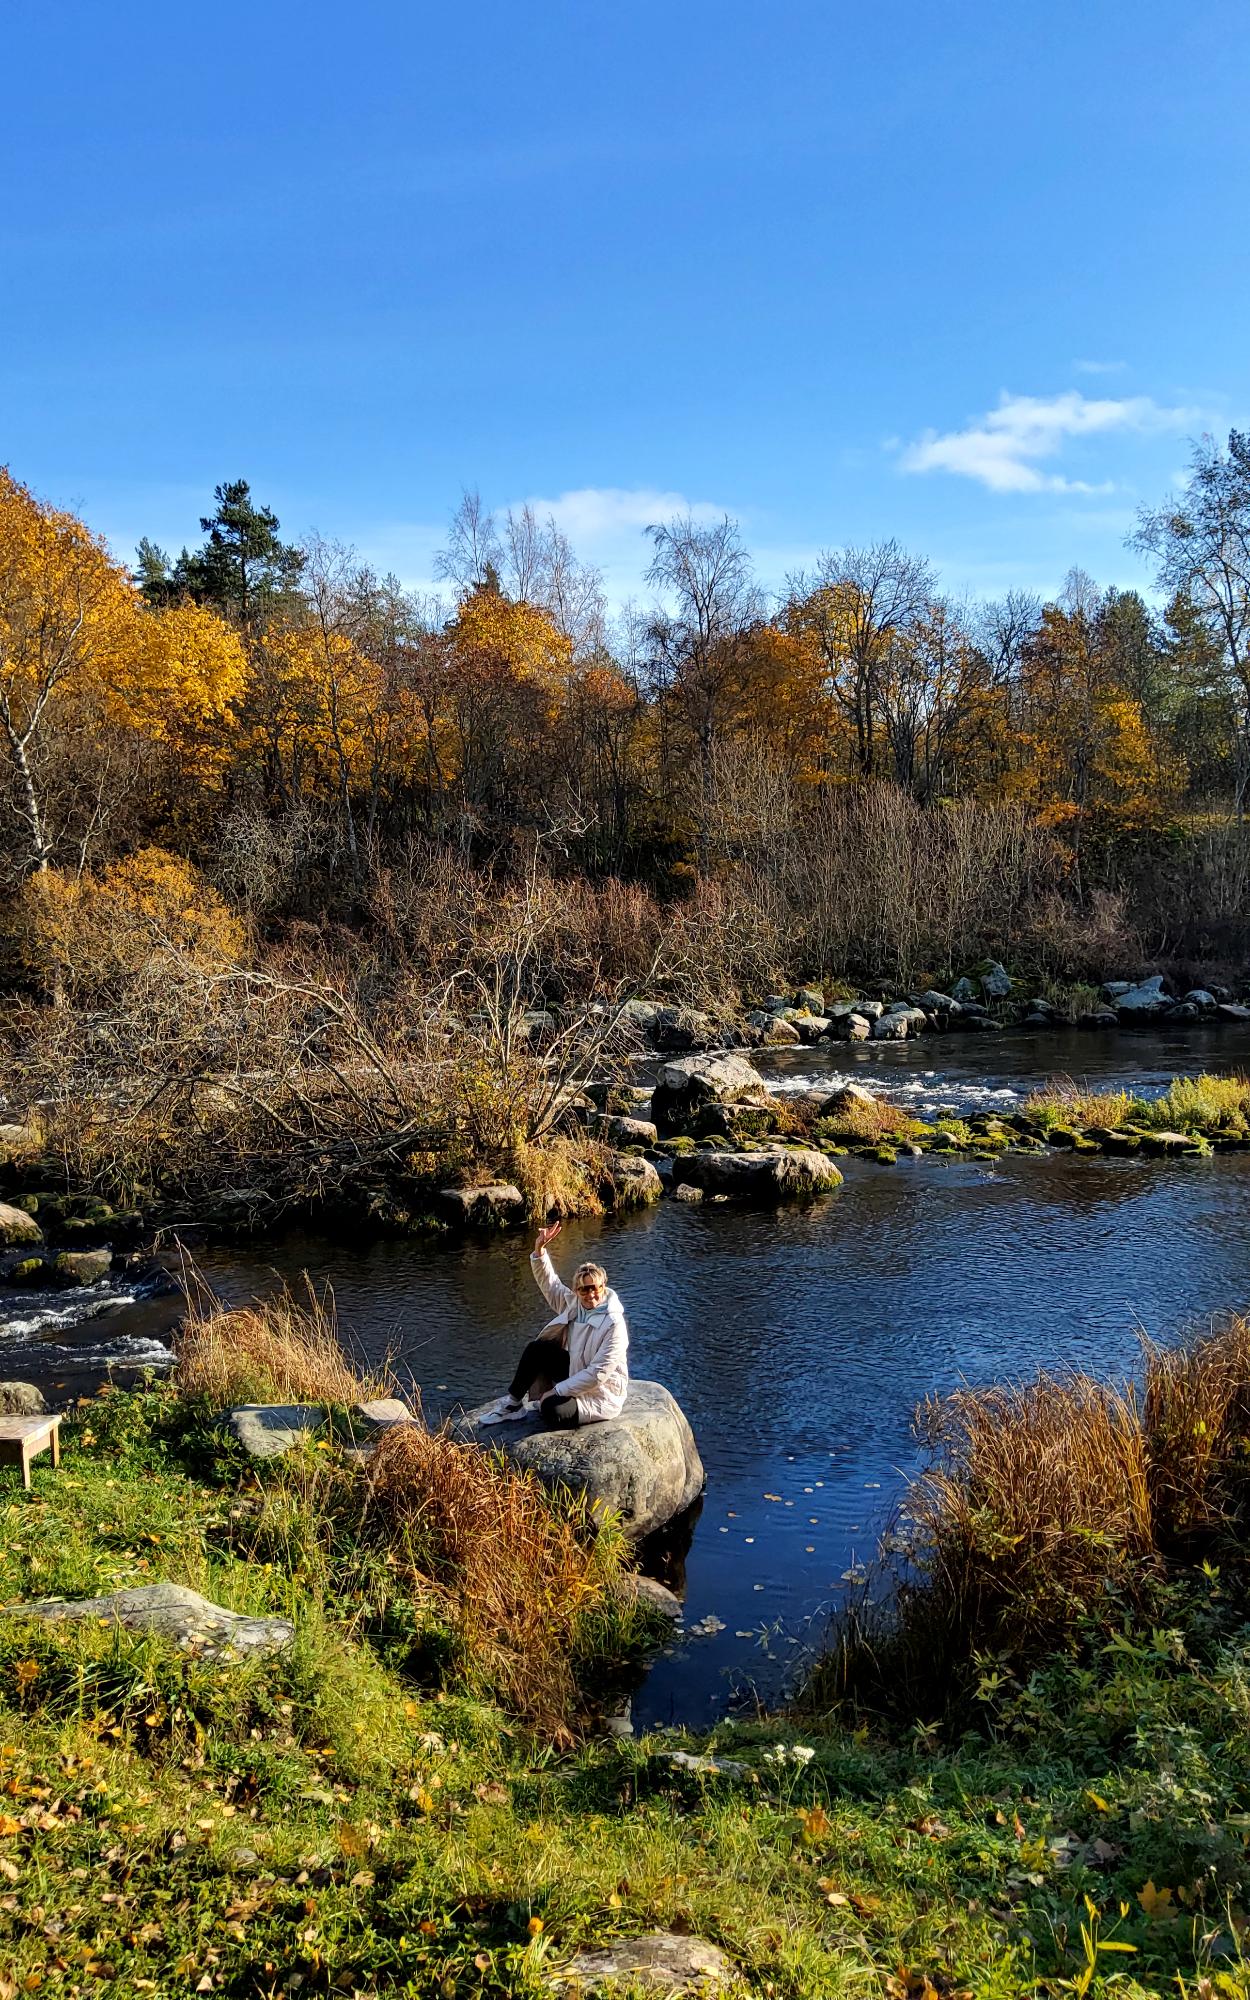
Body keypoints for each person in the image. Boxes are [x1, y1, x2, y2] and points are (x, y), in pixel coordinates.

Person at [478, 1220, 630, 1428]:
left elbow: (598, 1374)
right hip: (576, 1372)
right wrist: (540, 1250)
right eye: (584, 1289)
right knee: (537, 1349)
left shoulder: (614, 1324)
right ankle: (513, 1406)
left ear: (603, 1287)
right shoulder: (575, 1306)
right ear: (577, 1291)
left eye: (594, 1287)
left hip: (600, 1393)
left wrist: (556, 1391)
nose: (590, 1294)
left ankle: (556, 1401)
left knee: (552, 1411)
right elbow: (551, 1286)